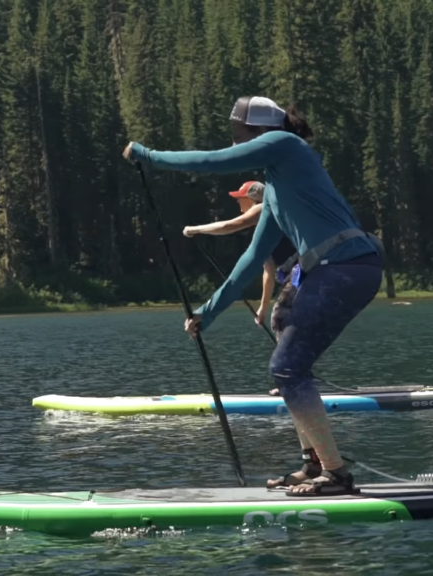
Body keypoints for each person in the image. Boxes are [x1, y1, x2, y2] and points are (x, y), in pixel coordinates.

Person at [123, 95, 384, 496]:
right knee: (282, 329)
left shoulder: (285, 145)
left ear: (256, 130)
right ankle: (314, 463)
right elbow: (250, 261)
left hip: (347, 267)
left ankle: (336, 474)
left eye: (238, 132)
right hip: (334, 270)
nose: (235, 139)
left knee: (288, 367)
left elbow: (212, 162)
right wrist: (207, 313)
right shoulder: (277, 191)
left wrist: (148, 155)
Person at [183, 180, 297, 328]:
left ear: (252, 199)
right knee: (281, 321)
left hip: (300, 273)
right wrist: (263, 308)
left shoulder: (262, 208)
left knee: (280, 320)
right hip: (296, 276)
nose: (237, 201)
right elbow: (268, 272)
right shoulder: (264, 231)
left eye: (240, 197)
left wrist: (194, 229)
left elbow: (228, 226)